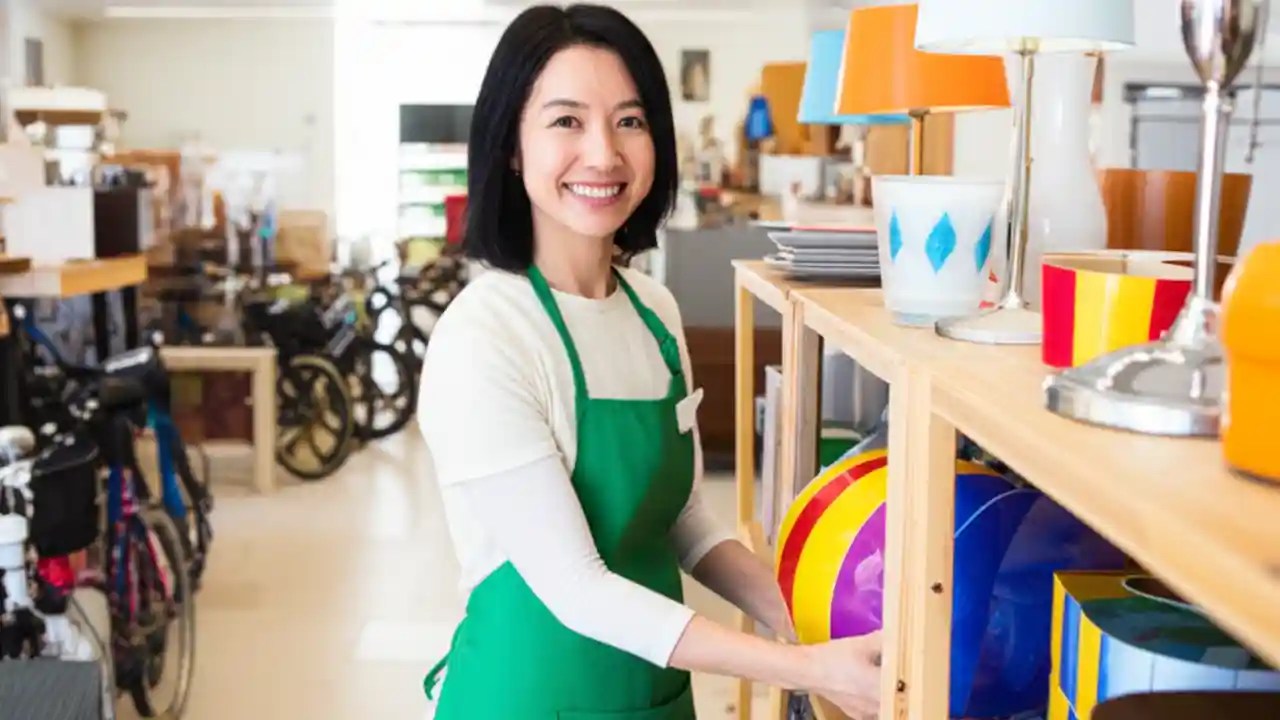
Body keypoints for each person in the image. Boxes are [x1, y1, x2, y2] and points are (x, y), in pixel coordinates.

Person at [418, 5, 883, 719]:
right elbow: (576, 587)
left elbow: (688, 521)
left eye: (629, 121)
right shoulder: (486, 335)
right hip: (525, 698)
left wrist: (806, 622)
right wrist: (801, 665)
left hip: (650, 694)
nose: (604, 154)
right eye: (566, 121)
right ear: (512, 144)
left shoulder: (653, 311)